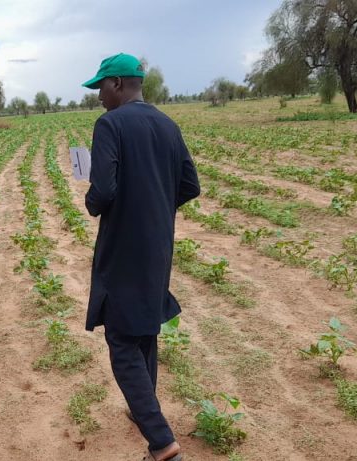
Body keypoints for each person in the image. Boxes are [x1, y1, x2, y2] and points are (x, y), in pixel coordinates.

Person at [81, 53, 199, 461]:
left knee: (122, 337)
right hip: (158, 243)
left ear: (117, 84)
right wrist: (155, 207)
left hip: (124, 246)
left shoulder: (110, 124)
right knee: (144, 325)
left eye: (100, 88)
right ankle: (140, 407)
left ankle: (162, 443)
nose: (98, 98)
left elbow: (104, 192)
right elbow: (190, 184)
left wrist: (92, 202)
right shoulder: (167, 123)